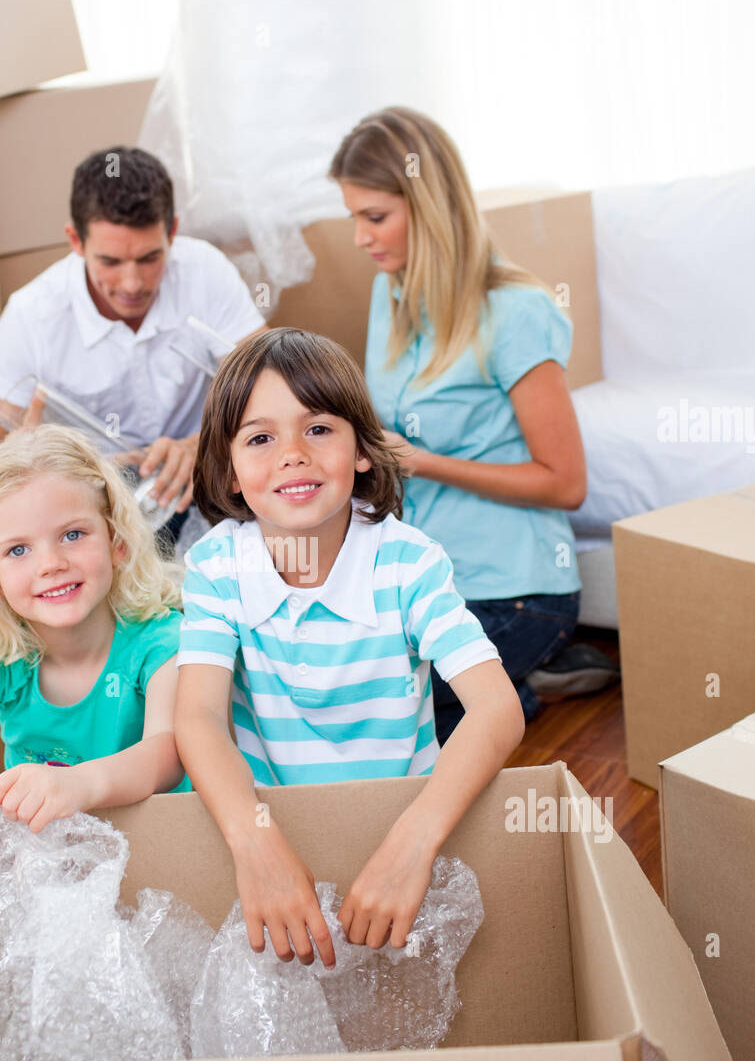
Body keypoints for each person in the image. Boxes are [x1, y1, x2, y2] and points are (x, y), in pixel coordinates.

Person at [175, 327, 525, 966]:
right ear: (227, 470)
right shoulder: (215, 567)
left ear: (364, 450)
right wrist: (257, 850)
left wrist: (411, 845)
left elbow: (498, 710)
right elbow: (196, 718)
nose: (292, 455)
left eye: (318, 429)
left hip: (403, 834)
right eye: (260, 438)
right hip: (277, 836)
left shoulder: (409, 563)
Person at [329, 107, 617, 743]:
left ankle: (527, 669)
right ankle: (522, 681)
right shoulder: (391, 292)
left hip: (516, 588)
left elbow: (566, 483)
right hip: (423, 575)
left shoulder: (516, 313)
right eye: (354, 216)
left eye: (374, 217)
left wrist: (424, 462)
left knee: (390, 725)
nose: (360, 237)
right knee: (335, 697)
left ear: (427, 206)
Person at [0, 424, 189, 880]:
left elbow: (168, 754)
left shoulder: (161, 640)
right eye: (17, 549)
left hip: (169, 860)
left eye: (73, 535)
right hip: (57, 875)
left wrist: (77, 785)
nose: (50, 564)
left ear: (116, 539)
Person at [0, 145, 266, 532]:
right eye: (110, 262)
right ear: (75, 240)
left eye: (149, 258)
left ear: (172, 232)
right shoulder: (33, 315)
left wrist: (206, 445)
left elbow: (272, 389)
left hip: (202, 482)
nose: (132, 284)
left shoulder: (204, 271)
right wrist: (20, 460)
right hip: (90, 503)